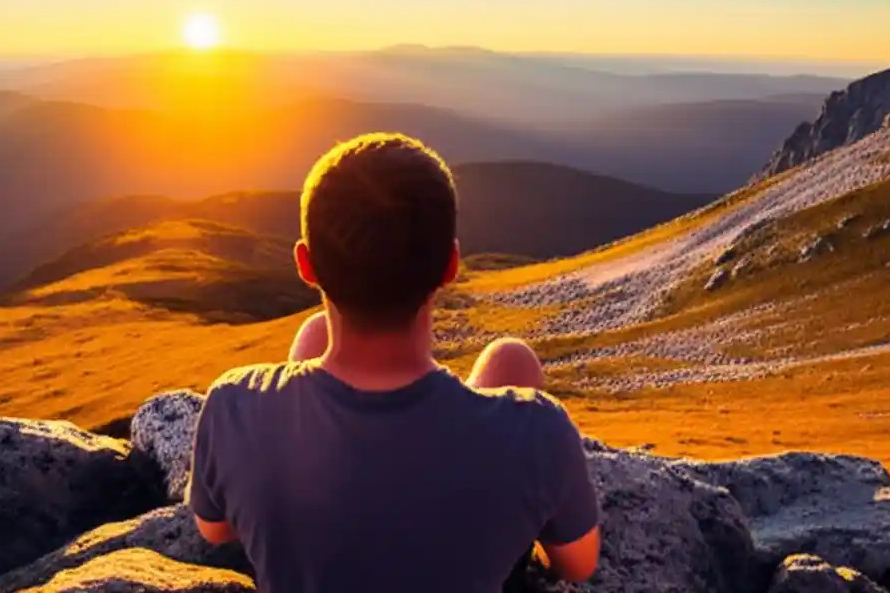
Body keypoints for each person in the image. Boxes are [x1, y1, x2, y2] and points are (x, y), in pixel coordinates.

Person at [188, 133, 600, 592]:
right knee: (512, 359)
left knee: (313, 337)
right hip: (478, 506)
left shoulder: (232, 406)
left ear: (306, 266)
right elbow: (578, 564)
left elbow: (216, 529)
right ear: (451, 264)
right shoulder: (541, 431)